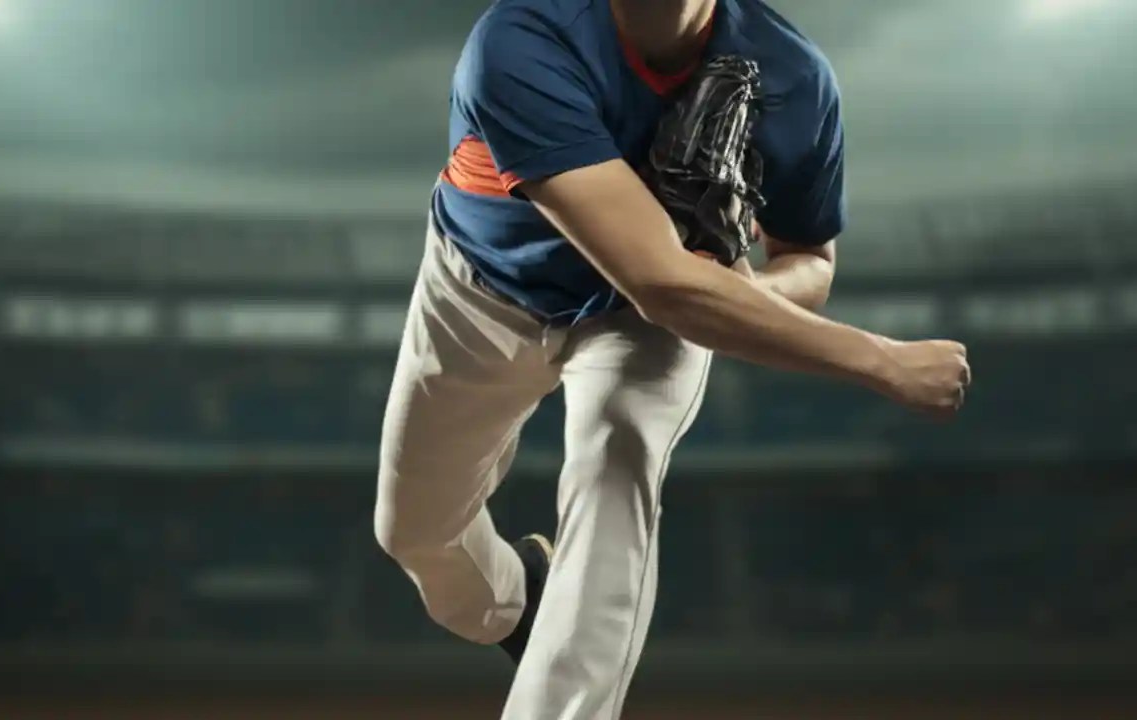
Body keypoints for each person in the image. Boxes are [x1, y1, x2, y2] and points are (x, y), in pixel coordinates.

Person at [374, 0, 971, 717]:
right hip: (485, 286)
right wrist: (881, 359)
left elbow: (809, 259)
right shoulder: (524, 37)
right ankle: (516, 597)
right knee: (415, 532)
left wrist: (746, 292)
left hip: (641, 326)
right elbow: (659, 281)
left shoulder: (794, 75)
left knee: (617, 462)